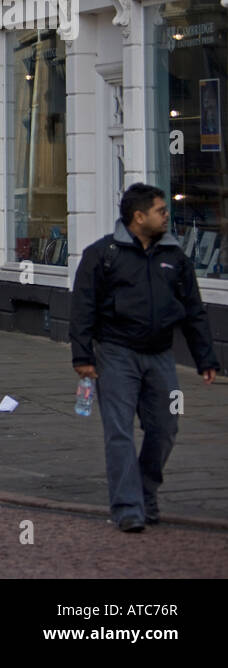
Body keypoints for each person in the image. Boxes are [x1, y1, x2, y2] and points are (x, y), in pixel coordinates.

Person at [69, 183, 220, 532]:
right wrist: (83, 357)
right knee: (119, 433)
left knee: (166, 428)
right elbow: (82, 307)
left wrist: (206, 359)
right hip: (116, 354)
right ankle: (128, 508)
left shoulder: (174, 257)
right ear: (139, 217)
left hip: (160, 355)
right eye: (160, 210)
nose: (167, 215)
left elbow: (193, 310)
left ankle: (145, 491)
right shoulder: (103, 254)